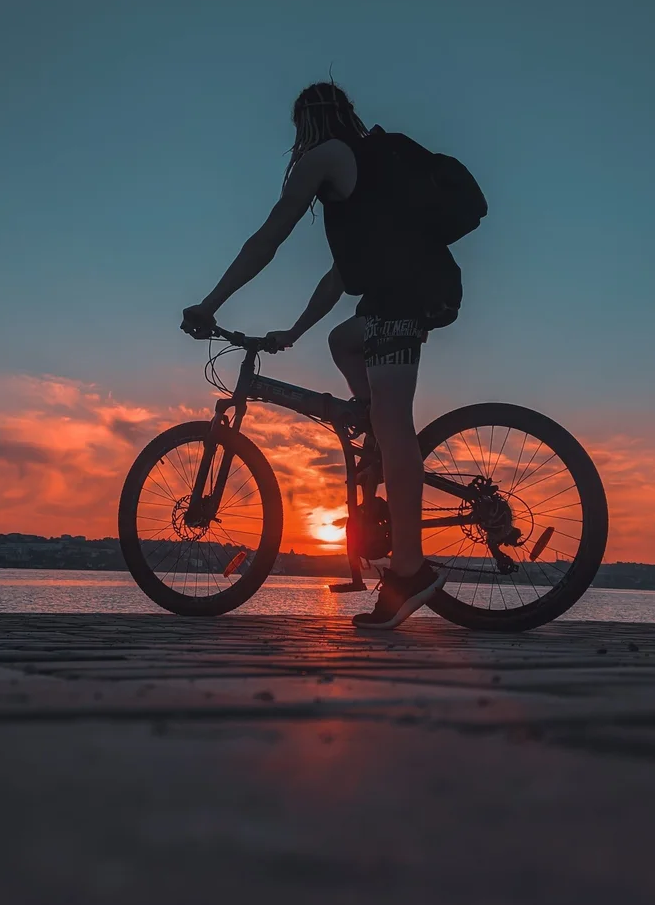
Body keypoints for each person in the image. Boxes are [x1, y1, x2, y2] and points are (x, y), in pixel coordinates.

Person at [181, 81, 463, 630]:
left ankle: (409, 569)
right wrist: (295, 330)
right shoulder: (369, 173)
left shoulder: (327, 157)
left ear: (307, 121)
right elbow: (341, 277)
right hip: (407, 289)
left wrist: (210, 302)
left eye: (297, 128)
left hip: (405, 297)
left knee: (393, 419)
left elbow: (269, 237)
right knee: (343, 341)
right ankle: (380, 442)